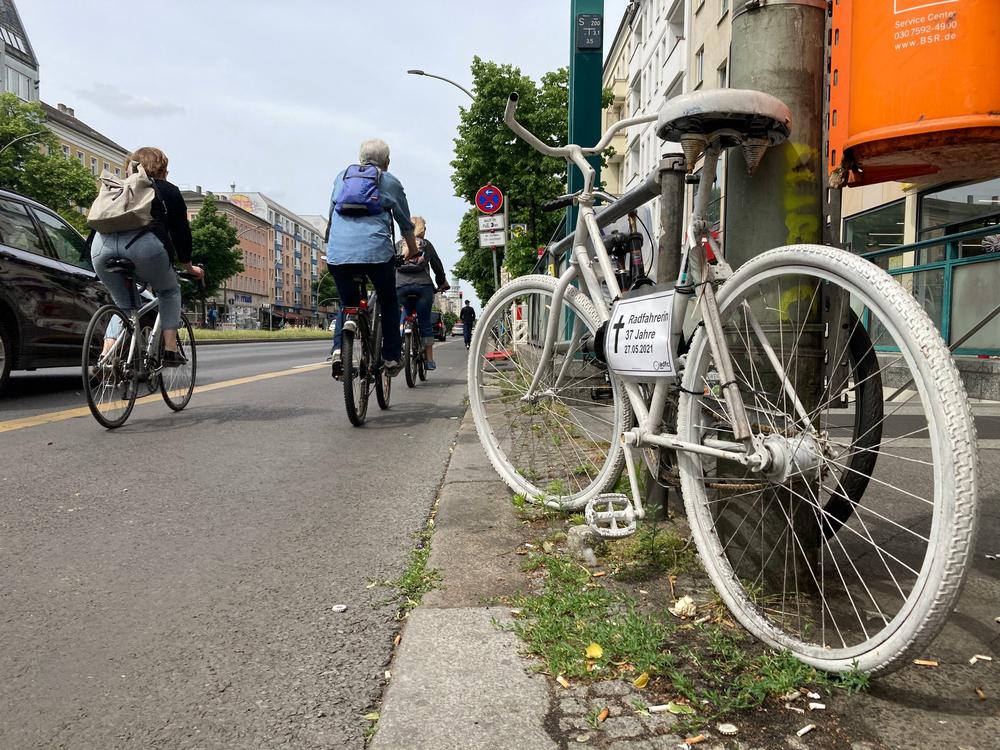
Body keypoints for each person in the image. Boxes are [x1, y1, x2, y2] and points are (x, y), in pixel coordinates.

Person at [90, 147, 204, 366]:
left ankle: (106, 357)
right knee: (169, 291)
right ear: (161, 168)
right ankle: (170, 350)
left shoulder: (116, 188)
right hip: (144, 247)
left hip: (100, 249)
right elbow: (181, 233)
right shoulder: (167, 190)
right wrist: (189, 267)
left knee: (124, 305)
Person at [327, 138, 419, 378]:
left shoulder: (341, 177)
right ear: (387, 162)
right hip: (376, 253)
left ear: (360, 159)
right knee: (388, 300)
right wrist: (413, 250)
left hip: (339, 253)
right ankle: (390, 357)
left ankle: (338, 350)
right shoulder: (390, 181)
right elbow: (405, 225)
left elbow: (331, 215)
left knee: (348, 303)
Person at [396, 216, 449, 370]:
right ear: (421, 229)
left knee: (404, 313)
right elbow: (437, 266)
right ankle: (429, 360)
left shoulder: (398, 245)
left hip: (401, 287)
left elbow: (390, 264)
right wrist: (442, 283)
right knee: (425, 323)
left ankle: (398, 349)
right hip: (423, 288)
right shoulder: (426, 244)